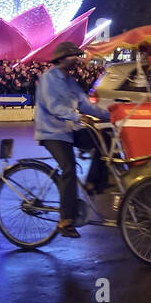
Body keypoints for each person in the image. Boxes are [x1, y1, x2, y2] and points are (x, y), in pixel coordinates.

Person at [35, 41, 111, 238]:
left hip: (69, 129)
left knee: (104, 139)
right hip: (51, 132)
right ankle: (65, 221)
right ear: (61, 59)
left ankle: (92, 183)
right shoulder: (48, 78)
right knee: (68, 168)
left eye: (77, 55)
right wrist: (78, 116)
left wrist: (110, 116)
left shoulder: (70, 81)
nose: (77, 59)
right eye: (73, 56)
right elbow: (53, 107)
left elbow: (85, 104)